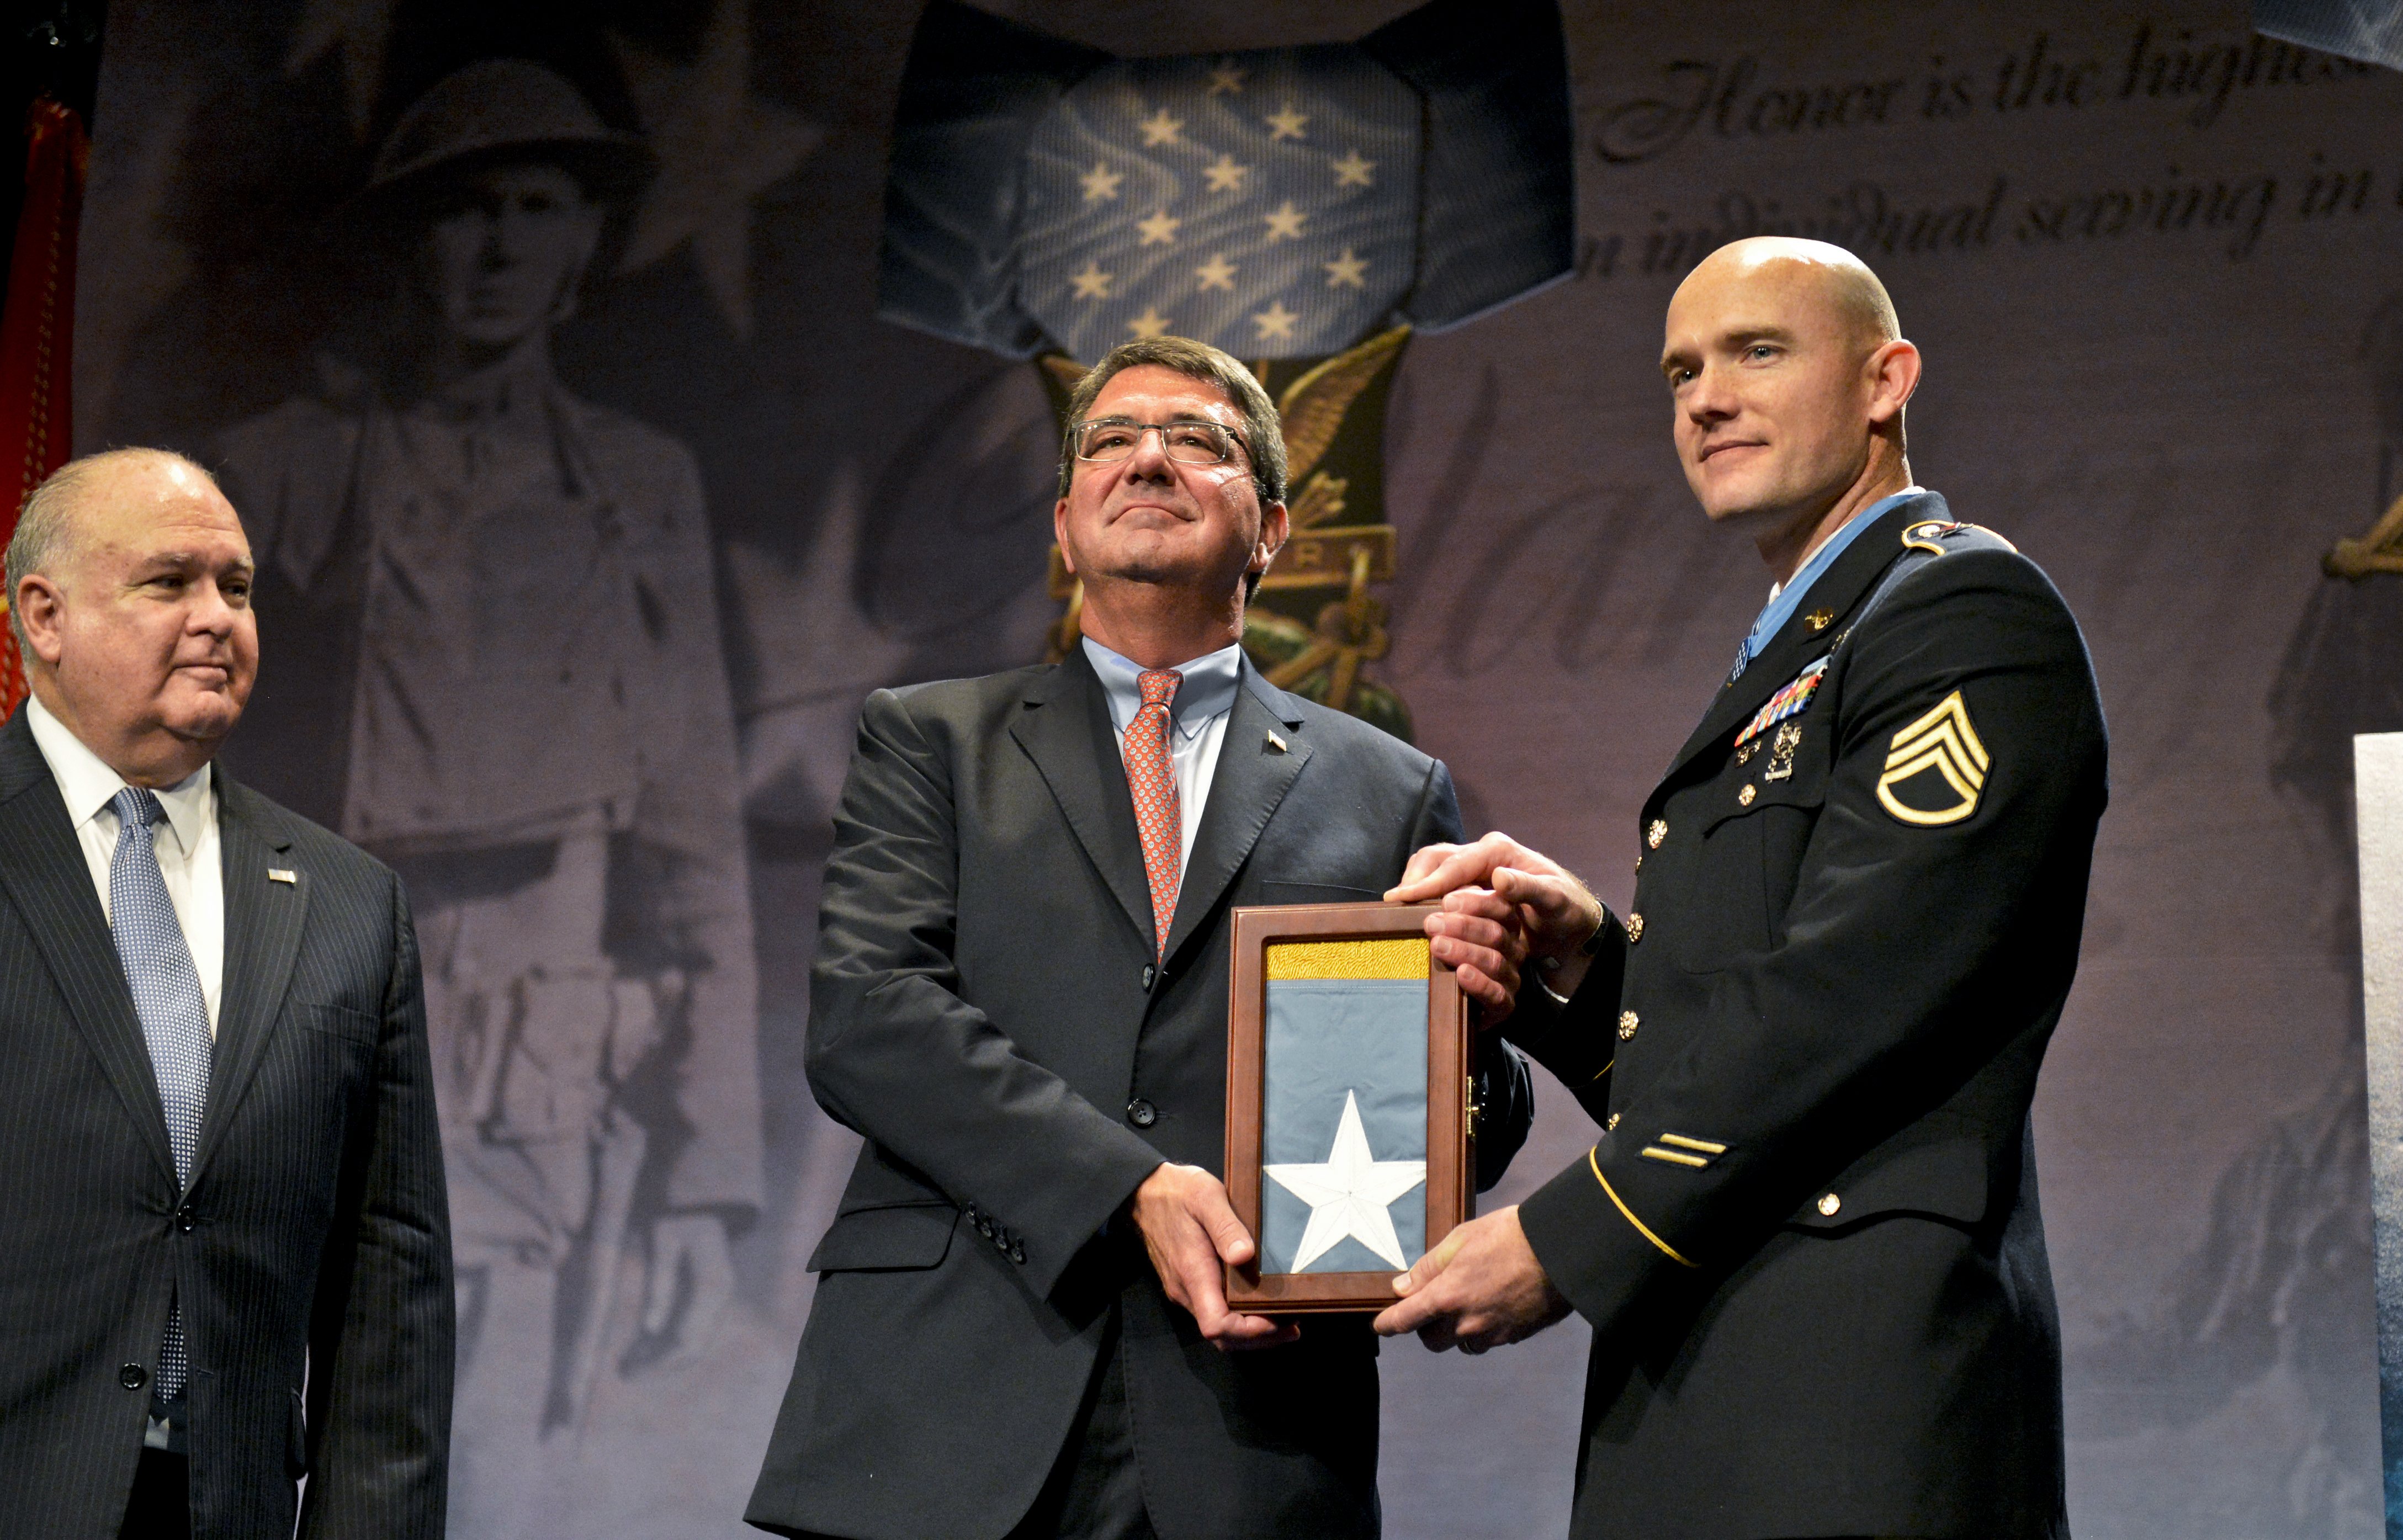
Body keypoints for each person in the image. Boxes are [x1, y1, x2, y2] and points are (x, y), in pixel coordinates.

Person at [1373, 237, 2108, 1540]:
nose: (1702, 398)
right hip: (1712, 1368)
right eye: (1677, 371)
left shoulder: (1963, 617)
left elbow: (1853, 999)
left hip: (1855, 1394)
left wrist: (1571, 1234)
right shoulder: (1805, 651)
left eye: (1755, 351)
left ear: (1887, 379)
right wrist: (1581, 965)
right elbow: (1729, 1048)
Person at [746, 334, 1535, 1540]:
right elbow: (866, 1017)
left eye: (1197, 441)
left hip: (1246, 1422)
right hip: (945, 1401)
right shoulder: (930, 741)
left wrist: (1466, 1042)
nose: (1148, 459)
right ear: (1064, 526)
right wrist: (1127, 1186)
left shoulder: (1386, 785)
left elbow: (1454, 1122)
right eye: (1111, 441)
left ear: (1273, 529)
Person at [208, 61, 761, 1534]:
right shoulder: (272, 473)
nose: (503, 247)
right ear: (407, 242)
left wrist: (704, 1170)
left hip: (542, 1048)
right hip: (308, 1004)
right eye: (465, 213)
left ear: (584, 245)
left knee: (501, 1464)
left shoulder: (643, 481)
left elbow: (696, 821)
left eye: (538, 208)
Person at [0, 449, 452, 1537]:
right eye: (170, 583)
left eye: (237, 588)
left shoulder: (351, 902)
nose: (216, 618)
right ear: (44, 618)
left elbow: (389, 1286)